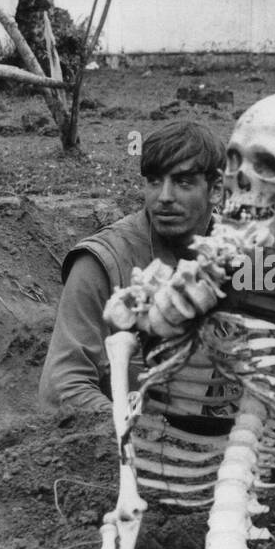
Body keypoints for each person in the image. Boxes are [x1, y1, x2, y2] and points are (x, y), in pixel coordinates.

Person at [39, 120, 225, 423]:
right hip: (119, 453)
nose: (164, 196)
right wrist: (141, 432)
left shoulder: (245, 259)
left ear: (216, 189)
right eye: (154, 181)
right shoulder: (101, 263)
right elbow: (63, 388)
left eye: (183, 182)